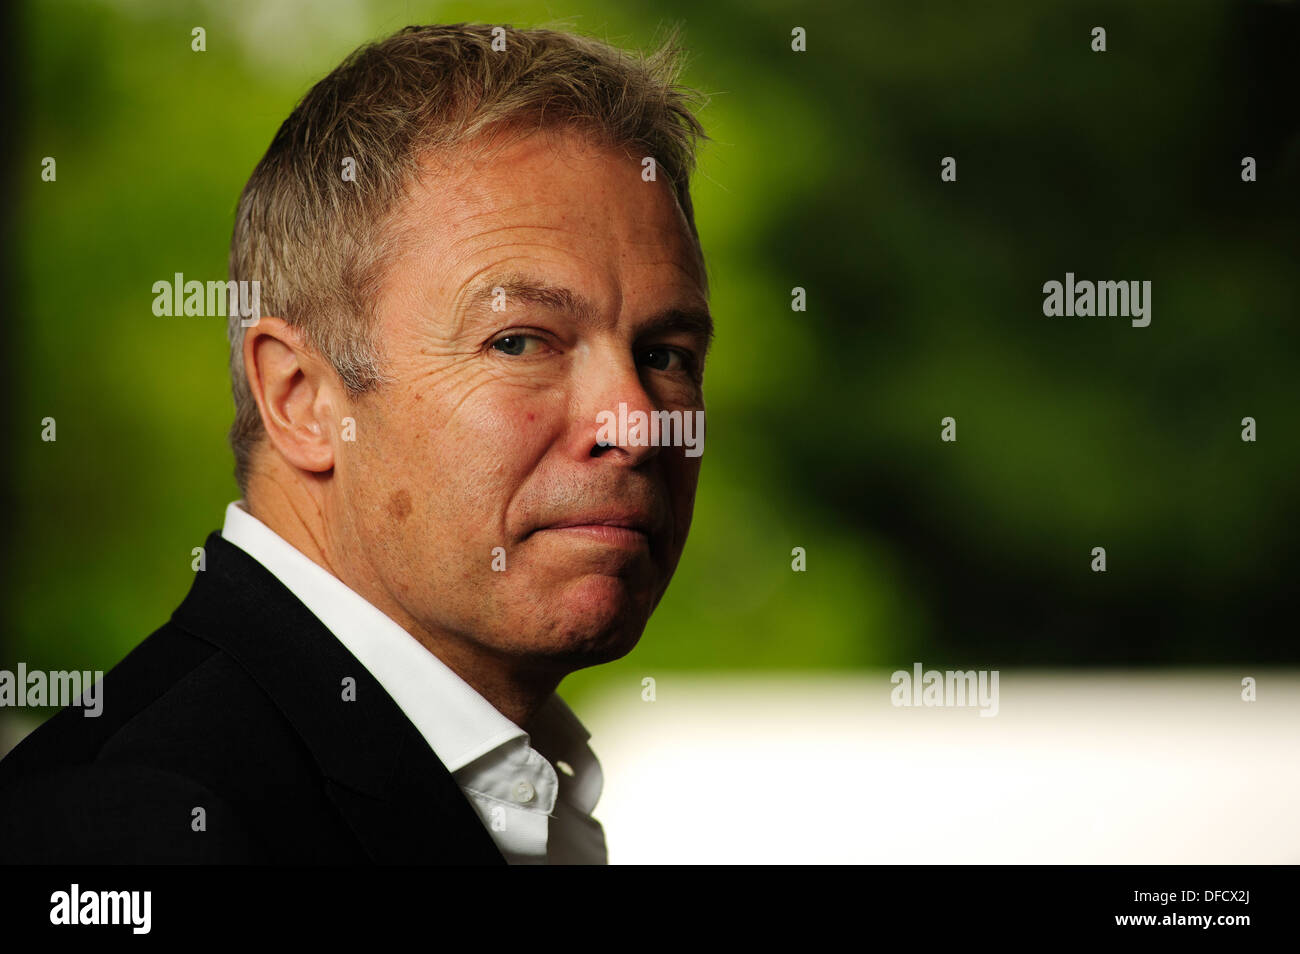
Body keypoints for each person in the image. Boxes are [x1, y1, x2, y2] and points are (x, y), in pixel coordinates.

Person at [0, 22, 712, 865]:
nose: (633, 420)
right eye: (521, 341)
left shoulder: (510, 789)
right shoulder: (140, 829)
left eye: (666, 356)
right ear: (300, 400)